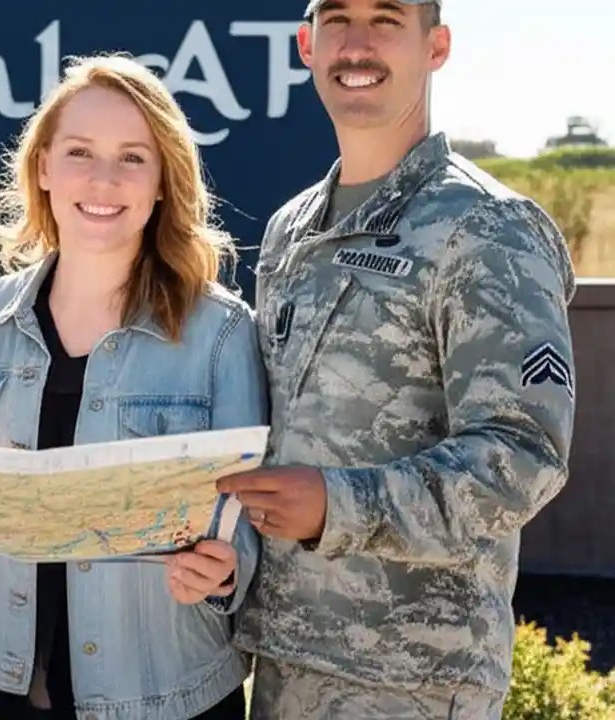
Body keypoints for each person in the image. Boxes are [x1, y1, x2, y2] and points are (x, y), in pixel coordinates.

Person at [217, 1, 577, 717]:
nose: (357, 44)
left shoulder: (486, 228)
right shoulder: (293, 229)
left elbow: (524, 456)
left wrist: (339, 505)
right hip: (286, 660)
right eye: (337, 19)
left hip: (412, 678)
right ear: (307, 45)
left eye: (386, 19)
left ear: (435, 47)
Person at [0, 55, 268, 720]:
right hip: (6, 686)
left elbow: (253, 518)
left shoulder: (221, 331)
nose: (104, 180)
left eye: (133, 158)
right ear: (43, 168)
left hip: (169, 694)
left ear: (164, 180)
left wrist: (225, 569)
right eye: (80, 152)